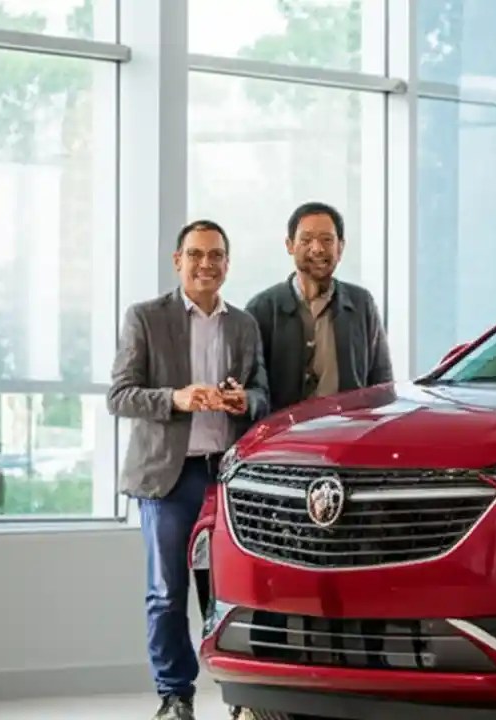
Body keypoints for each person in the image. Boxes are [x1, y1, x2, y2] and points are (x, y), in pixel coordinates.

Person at [107, 220, 269, 720]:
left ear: (227, 262)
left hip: (224, 480)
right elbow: (120, 395)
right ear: (177, 261)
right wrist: (175, 398)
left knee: (227, 592)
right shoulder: (146, 318)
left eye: (216, 255)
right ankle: (175, 694)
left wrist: (247, 401)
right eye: (196, 255)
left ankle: (241, 694)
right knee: (166, 592)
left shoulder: (243, 324)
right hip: (167, 479)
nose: (206, 264)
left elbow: (264, 394)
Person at [245, 201, 392, 413]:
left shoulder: (361, 303)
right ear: (289, 245)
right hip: (284, 437)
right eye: (306, 240)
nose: (317, 249)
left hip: (347, 432)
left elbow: (382, 382)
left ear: (340, 247)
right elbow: (253, 390)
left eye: (327, 240)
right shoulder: (262, 308)